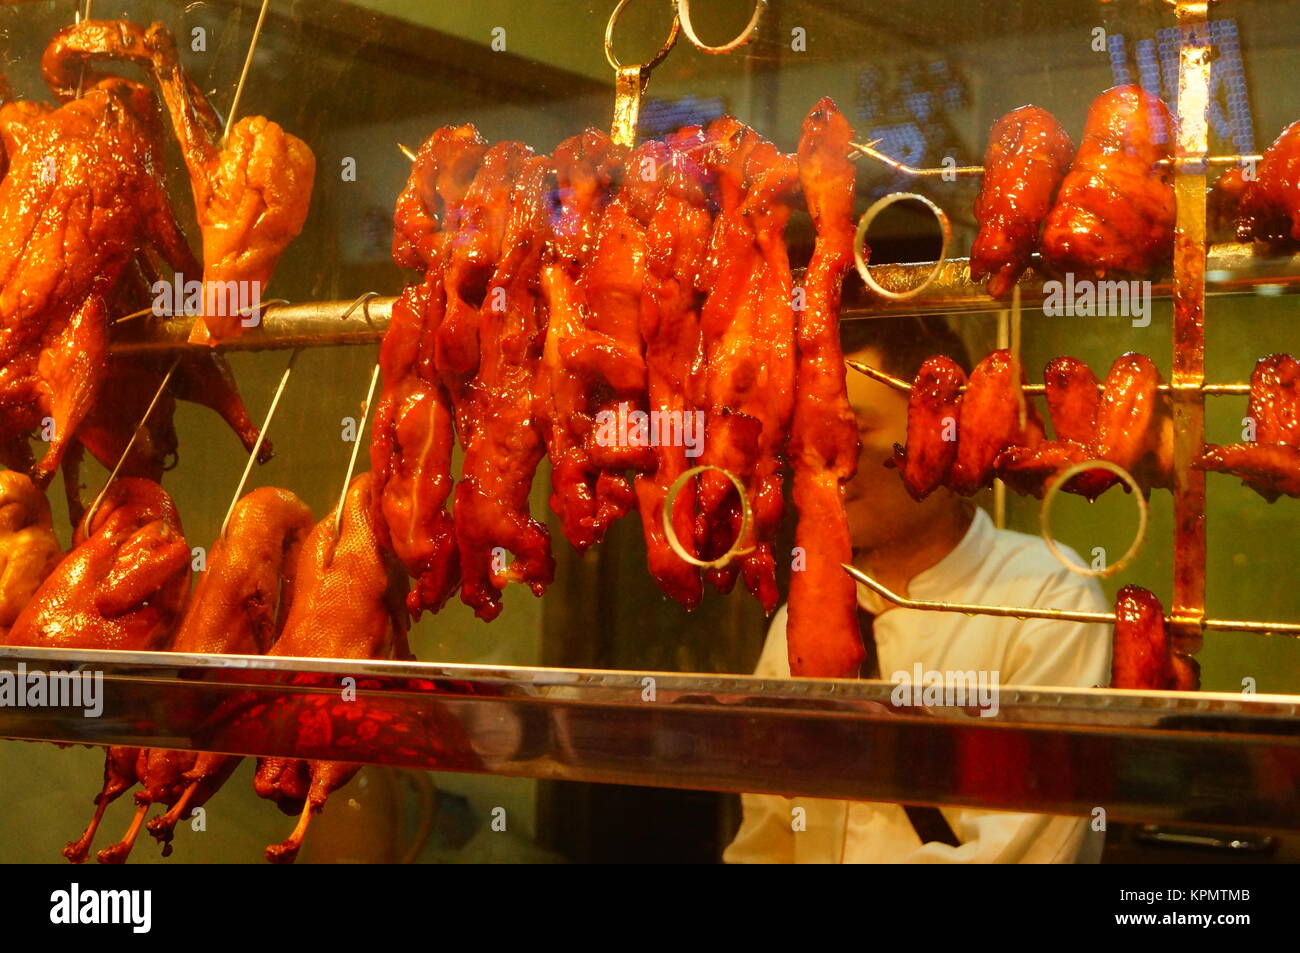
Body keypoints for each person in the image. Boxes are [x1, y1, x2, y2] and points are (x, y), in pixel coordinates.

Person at [724, 316, 1112, 864]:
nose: (822, 464)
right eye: (806, 438)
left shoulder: (1045, 597)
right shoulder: (811, 618)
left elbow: (1029, 850)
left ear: (940, 432)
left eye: (851, 430)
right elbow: (765, 840)